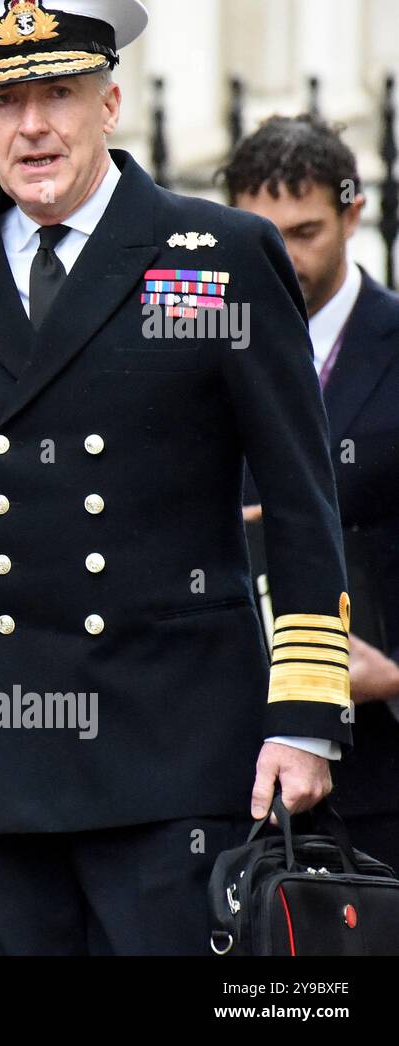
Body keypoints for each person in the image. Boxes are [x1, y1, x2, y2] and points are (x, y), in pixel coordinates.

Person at [0, 0, 353, 955]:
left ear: (109, 103)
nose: (31, 127)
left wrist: (303, 715)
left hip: (172, 755)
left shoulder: (213, 254)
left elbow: (300, 500)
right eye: (3, 101)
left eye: (58, 96)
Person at [221, 114, 399, 868]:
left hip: (384, 780)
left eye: (304, 231)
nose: (280, 258)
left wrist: (393, 677)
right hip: (228, 772)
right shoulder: (192, 349)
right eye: (259, 234)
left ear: (355, 214)